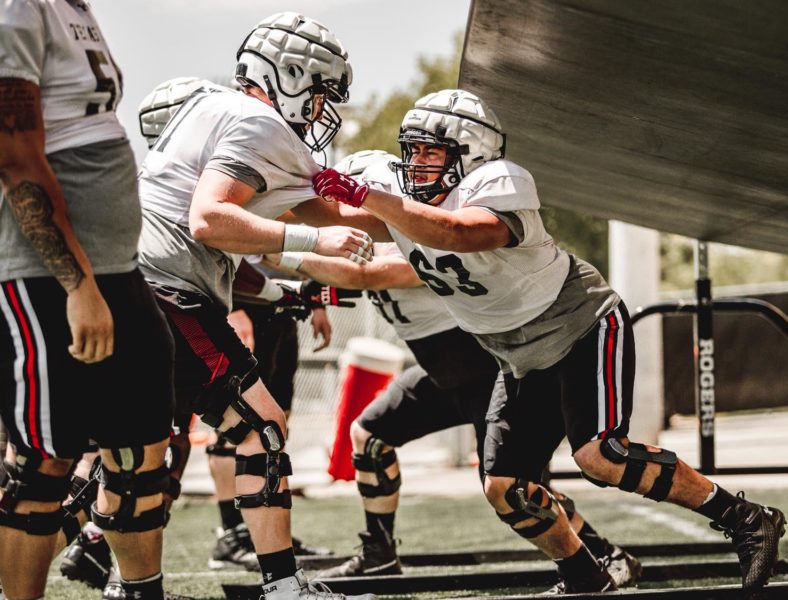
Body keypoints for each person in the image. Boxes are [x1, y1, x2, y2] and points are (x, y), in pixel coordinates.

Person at [314, 89, 787, 592]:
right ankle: (585, 575)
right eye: (411, 151)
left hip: (581, 325)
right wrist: (267, 194)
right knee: (506, 487)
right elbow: (322, 217)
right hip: (517, 357)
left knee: (601, 457)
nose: (417, 164)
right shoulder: (404, 201)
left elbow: (458, 233)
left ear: (470, 152)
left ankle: (745, 518)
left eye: (432, 151)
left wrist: (367, 195)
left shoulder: (501, 182)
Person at [272, 151, 638, 590]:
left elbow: (367, 275)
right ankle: (379, 553)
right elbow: (336, 268)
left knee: (514, 487)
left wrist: (275, 248)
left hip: (487, 372)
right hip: (442, 374)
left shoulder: (417, 229)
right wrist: (307, 282)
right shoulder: (362, 235)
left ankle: (604, 554)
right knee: (368, 437)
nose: (341, 210)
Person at [135, 12, 376, 600]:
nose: (322, 109)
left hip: (138, 282)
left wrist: (432, 226)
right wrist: (311, 243)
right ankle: (284, 586)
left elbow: (332, 214)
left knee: (130, 450)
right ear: (289, 74)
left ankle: (122, 578)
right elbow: (211, 218)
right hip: (167, 288)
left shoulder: (218, 107)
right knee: (261, 425)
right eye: (318, 92)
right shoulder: (258, 122)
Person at [0, 1, 179, 598]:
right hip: (45, 274)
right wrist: (77, 285)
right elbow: (15, 154)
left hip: (117, 268)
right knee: (43, 462)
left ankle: (139, 590)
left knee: (139, 450)